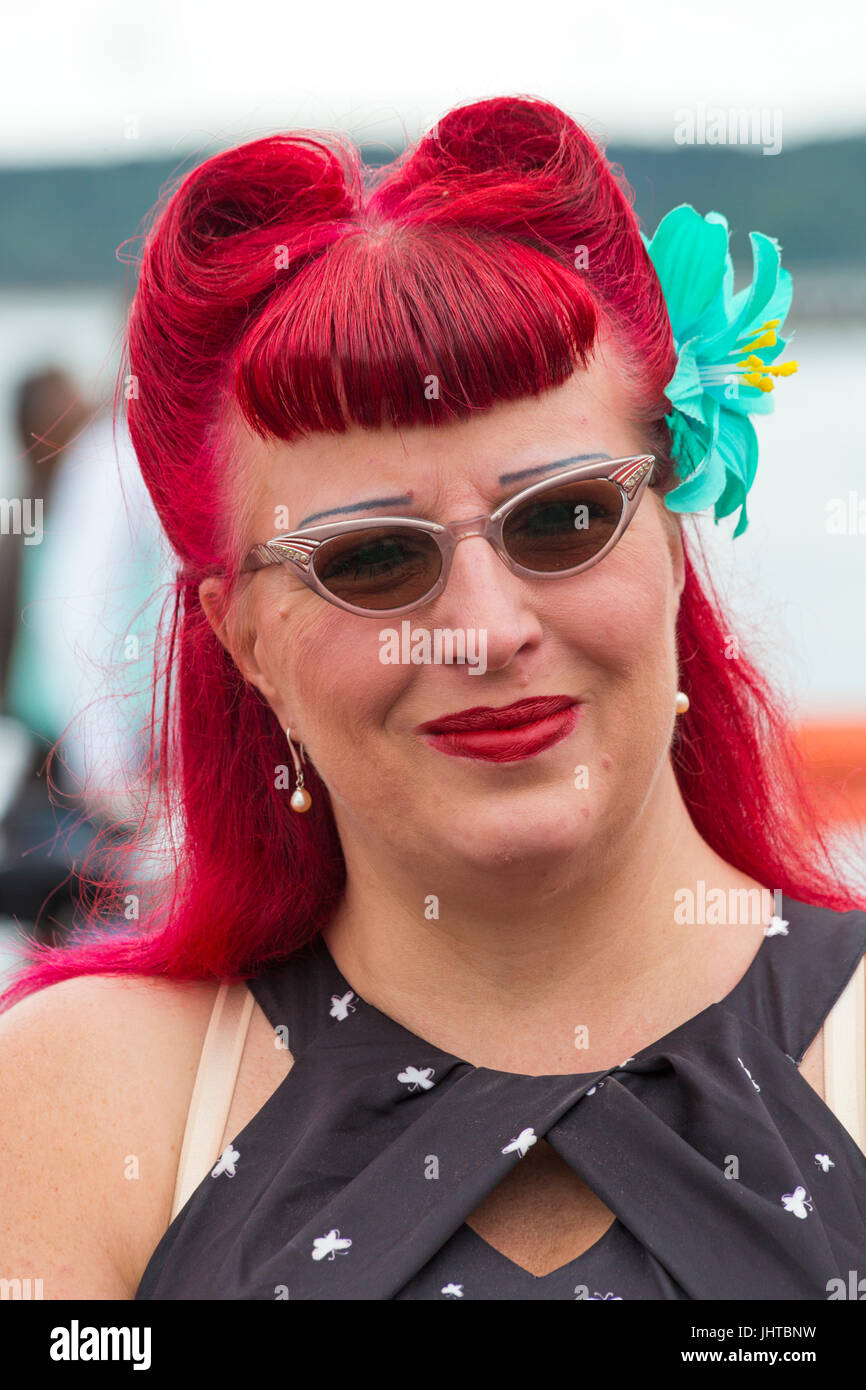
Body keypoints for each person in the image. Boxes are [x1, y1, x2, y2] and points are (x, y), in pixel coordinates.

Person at [0, 96, 864, 1301]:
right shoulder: (75, 1110)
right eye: (370, 560)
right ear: (242, 640)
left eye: (562, 518)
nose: (487, 628)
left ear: (673, 537)